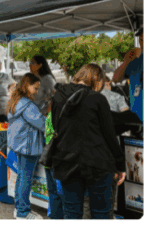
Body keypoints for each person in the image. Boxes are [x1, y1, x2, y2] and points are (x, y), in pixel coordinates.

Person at [45, 64, 126, 219]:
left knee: (71, 212)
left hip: (66, 163)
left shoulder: (58, 96)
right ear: (97, 79)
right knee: (101, 213)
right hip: (98, 164)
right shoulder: (98, 99)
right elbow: (109, 135)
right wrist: (120, 165)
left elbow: (56, 127)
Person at [7, 73, 46, 219]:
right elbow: (42, 123)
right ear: (27, 86)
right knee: (25, 178)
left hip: (19, 145)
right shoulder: (28, 106)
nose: (36, 91)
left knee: (22, 176)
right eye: (35, 88)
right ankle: (23, 212)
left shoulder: (16, 101)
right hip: (28, 146)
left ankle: (19, 209)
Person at [112, 28, 144, 121]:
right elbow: (116, 78)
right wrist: (126, 61)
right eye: (141, 40)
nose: (142, 43)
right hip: (136, 115)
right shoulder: (136, 61)